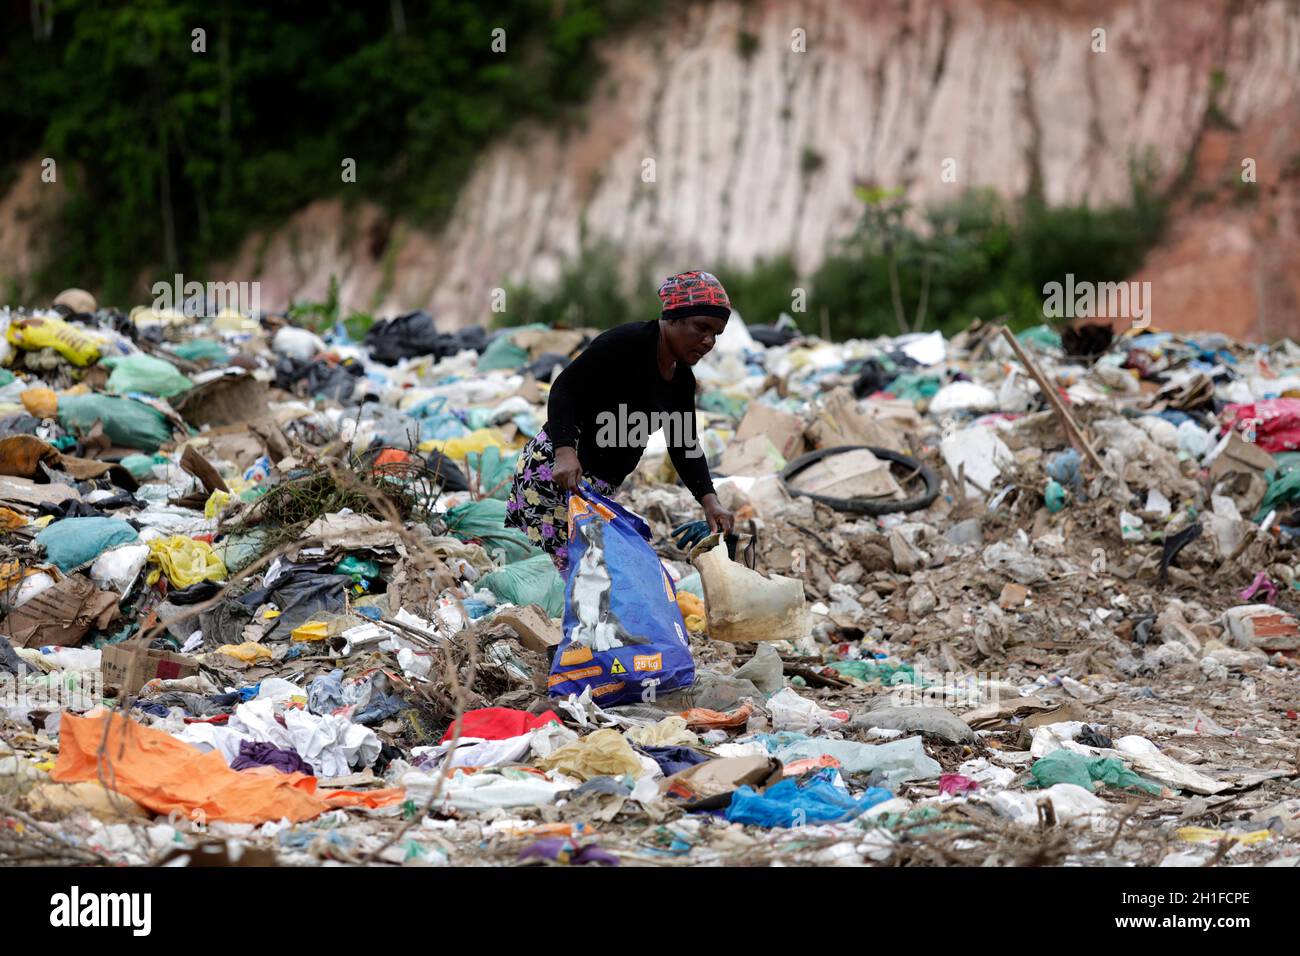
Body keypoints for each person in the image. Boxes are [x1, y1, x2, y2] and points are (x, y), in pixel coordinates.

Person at [506, 270, 736, 572]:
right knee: (568, 577)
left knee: (585, 577)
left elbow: (683, 444)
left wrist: (710, 502)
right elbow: (565, 389)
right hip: (556, 474)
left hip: (596, 489)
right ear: (673, 317)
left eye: (715, 334)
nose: (708, 341)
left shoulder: (680, 380)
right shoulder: (626, 344)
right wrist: (565, 452)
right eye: (701, 327)